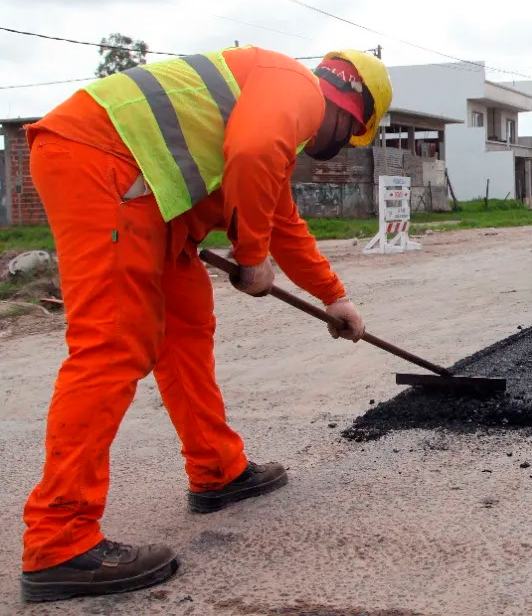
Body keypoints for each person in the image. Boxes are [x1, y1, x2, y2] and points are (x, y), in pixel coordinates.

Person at [18, 46, 392, 603]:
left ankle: (218, 469)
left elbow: (279, 215)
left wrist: (335, 298)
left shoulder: (266, 100)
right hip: (105, 163)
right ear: (352, 112)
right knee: (114, 343)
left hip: (144, 196)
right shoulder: (297, 91)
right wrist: (249, 253)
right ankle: (59, 541)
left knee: (188, 327)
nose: (335, 142)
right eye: (352, 133)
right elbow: (252, 153)